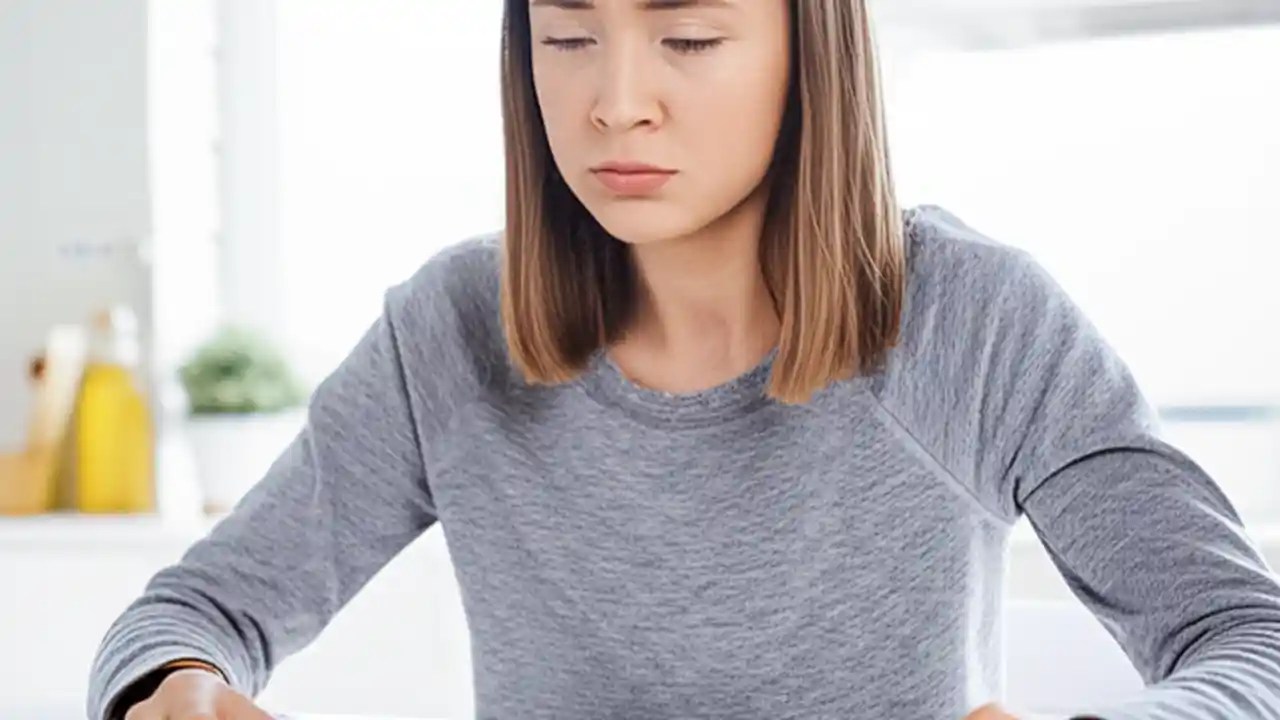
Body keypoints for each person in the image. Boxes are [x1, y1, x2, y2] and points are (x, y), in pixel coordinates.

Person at [90, 1, 1280, 719]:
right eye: (566, 34)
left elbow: (1244, 642)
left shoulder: (977, 322)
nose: (613, 102)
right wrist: (175, 690)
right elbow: (185, 618)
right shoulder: (448, 332)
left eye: (690, 36)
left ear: (806, 52)